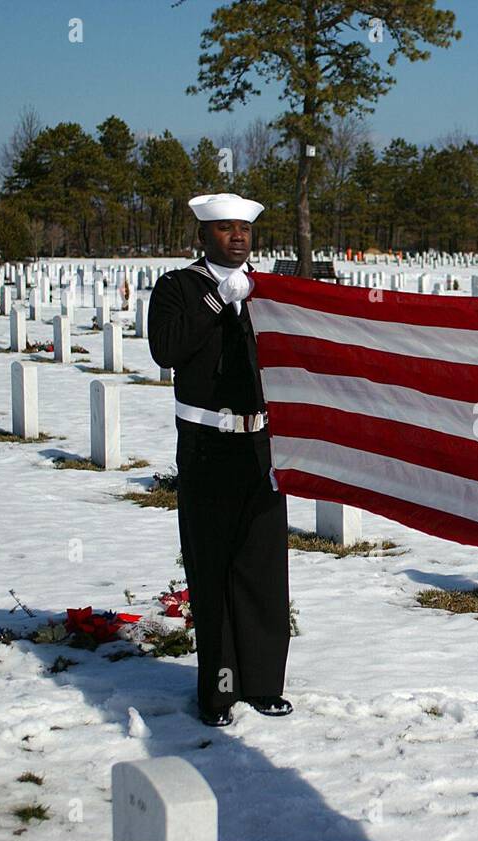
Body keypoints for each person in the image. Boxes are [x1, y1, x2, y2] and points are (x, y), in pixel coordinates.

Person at [148, 192, 293, 727]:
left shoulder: (267, 292)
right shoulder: (178, 288)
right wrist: (216, 303)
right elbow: (167, 349)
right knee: (211, 569)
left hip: (260, 446)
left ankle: (262, 684)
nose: (238, 237)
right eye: (226, 229)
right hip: (208, 446)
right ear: (204, 235)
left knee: (262, 569)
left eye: (245, 230)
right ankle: (218, 692)